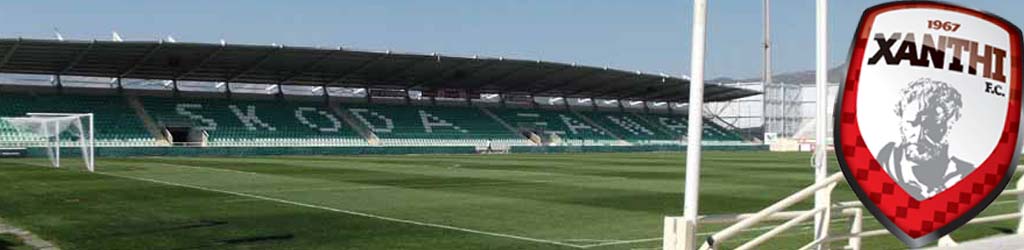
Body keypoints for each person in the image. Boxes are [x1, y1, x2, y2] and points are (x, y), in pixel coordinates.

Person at [875, 78, 974, 200]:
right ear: (901, 122)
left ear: (949, 124)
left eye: (930, 125)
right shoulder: (886, 162)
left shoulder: (963, 174)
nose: (919, 136)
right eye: (912, 124)